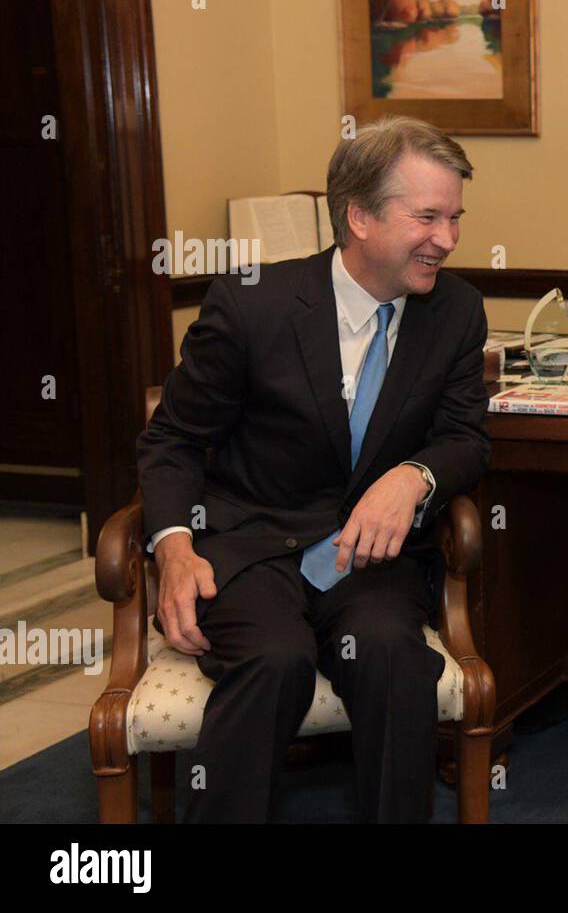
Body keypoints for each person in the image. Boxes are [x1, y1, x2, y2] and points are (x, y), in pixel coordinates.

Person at [138, 116, 490, 822]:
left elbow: (467, 439)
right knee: (276, 659)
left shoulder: (455, 311)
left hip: (371, 558)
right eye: (427, 217)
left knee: (393, 656)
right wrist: (173, 546)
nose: (447, 239)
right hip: (253, 546)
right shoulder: (252, 304)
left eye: (454, 218)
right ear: (358, 216)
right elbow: (172, 437)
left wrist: (414, 477)